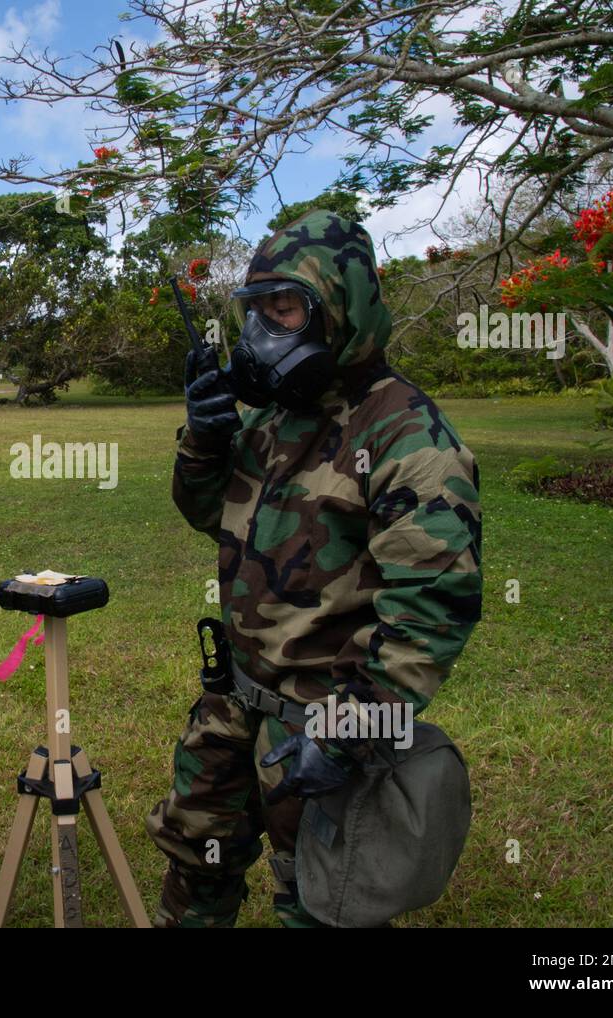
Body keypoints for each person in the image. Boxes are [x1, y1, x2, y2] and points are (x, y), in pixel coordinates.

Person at [147, 209, 483, 927]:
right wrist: (206, 438)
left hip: (324, 725)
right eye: (259, 310)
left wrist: (347, 731)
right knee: (195, 873)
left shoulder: (408, 437)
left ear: (340, 307)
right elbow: (213, 512)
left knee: (320, 901)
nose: (267, 330)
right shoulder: (274, 422)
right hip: (232, 705)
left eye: (287, 307)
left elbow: (430, 611)